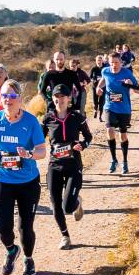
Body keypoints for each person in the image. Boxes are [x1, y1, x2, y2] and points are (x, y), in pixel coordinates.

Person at [0, 86, 48, 275]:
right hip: (3, 179)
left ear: (20, 99)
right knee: (2, 224)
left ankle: (28, 259)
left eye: (12, 96)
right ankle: (12, 250)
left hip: (27, 182)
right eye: (4, 95)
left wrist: (28, 154)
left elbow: (42, 151)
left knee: (25, 226)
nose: (8, 99)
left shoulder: (31, 122)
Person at [43, 84, 91, 249]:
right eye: (56, 96)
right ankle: (65, 236)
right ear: (53, 98)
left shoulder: (77, 117)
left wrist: (82, 145)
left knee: (67, 206)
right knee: (56, 204)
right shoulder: (48, 119)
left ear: (69, 98)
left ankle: (76, 202)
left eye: (63, 96)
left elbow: (89, 137)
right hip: (55, 165)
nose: (59, 99)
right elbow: (38, 140)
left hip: (73, 165)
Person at [97, 49, 139, 173]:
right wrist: (98, 89)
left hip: (124, 109)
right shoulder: (105, 71)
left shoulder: (127, 73)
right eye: (111, 63)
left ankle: (125, 161)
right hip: (109, 107)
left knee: (123, 135)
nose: (113, 65)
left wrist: (130, 84)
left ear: (120, 62)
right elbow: (103, 81)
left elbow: (138, 91)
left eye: (116, 63)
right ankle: (114, 160)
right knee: (109, 130)